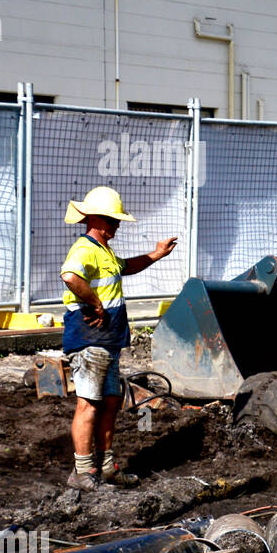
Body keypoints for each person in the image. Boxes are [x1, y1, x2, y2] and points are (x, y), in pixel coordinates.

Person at [60, 186, 178, 491]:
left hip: (107, 341)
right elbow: (71, 277)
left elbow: (127, 267)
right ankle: (83, 471)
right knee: (89, 404)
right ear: (95, 219)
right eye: (112, 220)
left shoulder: (104, 252)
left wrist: (156, 254)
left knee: (110, 402)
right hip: (90, 339)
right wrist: (95, 303)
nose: (117, 225)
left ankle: (106, 466)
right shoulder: (84, 249)